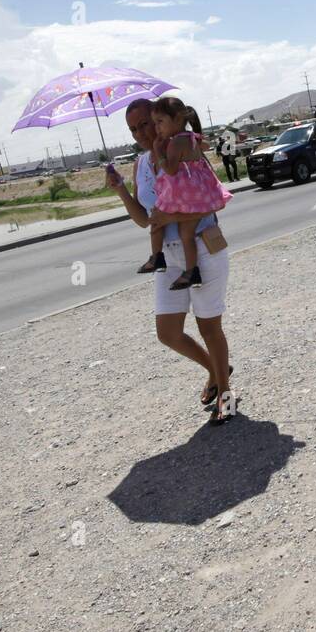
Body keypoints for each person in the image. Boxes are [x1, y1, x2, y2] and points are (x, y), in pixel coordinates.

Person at [108, 100, 235, 424]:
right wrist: (121, 190)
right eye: (133, 129)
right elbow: (145, 220)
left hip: (202, 246)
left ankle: (226, 396)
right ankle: (215, 369)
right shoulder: (141, 164)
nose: (141, 133)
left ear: (158, 119)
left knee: (209, 327)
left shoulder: (183, 147)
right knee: (167, 332)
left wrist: (171, 215)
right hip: (170, 256)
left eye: (145, 124)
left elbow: (209, 202)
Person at [149, 96, 233, 291]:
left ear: (177, 119)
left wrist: (158, 151)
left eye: (160, 122)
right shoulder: (192, 138)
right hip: (199, 193)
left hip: (184, 195)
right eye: (155, 123)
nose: (157, 128)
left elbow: (170, 170)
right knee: (186, 233)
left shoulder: (176, 142)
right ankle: (191, 272)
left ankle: (159, 258)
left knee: (158, 219)